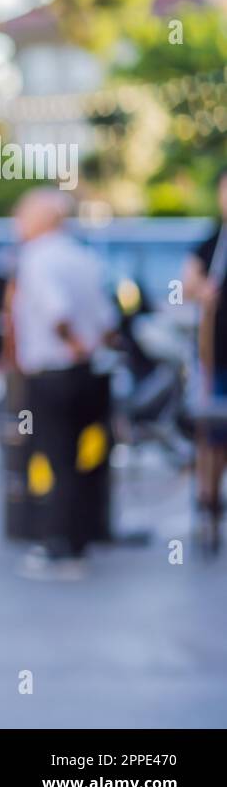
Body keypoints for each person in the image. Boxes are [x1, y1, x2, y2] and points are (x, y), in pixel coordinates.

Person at [9, 188, 117, 580]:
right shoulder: (85, 257)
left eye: (22, 215)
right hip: (89, 375)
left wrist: (75, 346)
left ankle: (60, 546)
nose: (17, 223)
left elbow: (58, 312)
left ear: (42, 220)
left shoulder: (37, 259)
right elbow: (108, 321)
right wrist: (90, 350)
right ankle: (82, 538)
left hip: (55, 373)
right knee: (85, 458)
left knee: (55, 459)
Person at [181, 165, 227, 540]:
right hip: (219, 357)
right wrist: (200, 290)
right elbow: (185, 283)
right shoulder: (214, 243)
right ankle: (208, 495)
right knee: (212, 432)